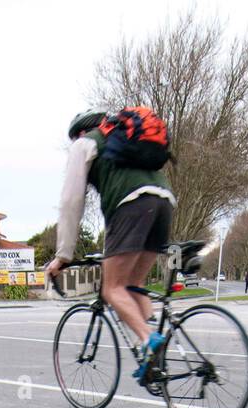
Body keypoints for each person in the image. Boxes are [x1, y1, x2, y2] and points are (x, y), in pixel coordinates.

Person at [46, 110, 177, 380]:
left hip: (132, 205)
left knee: (112, 288)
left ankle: (150, 340)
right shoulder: (125, 141)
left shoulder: (85, 144)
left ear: (79, 134)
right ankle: (151, 349)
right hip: (163, 202)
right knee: (132, 285)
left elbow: (71, 202)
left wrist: (63, 255)